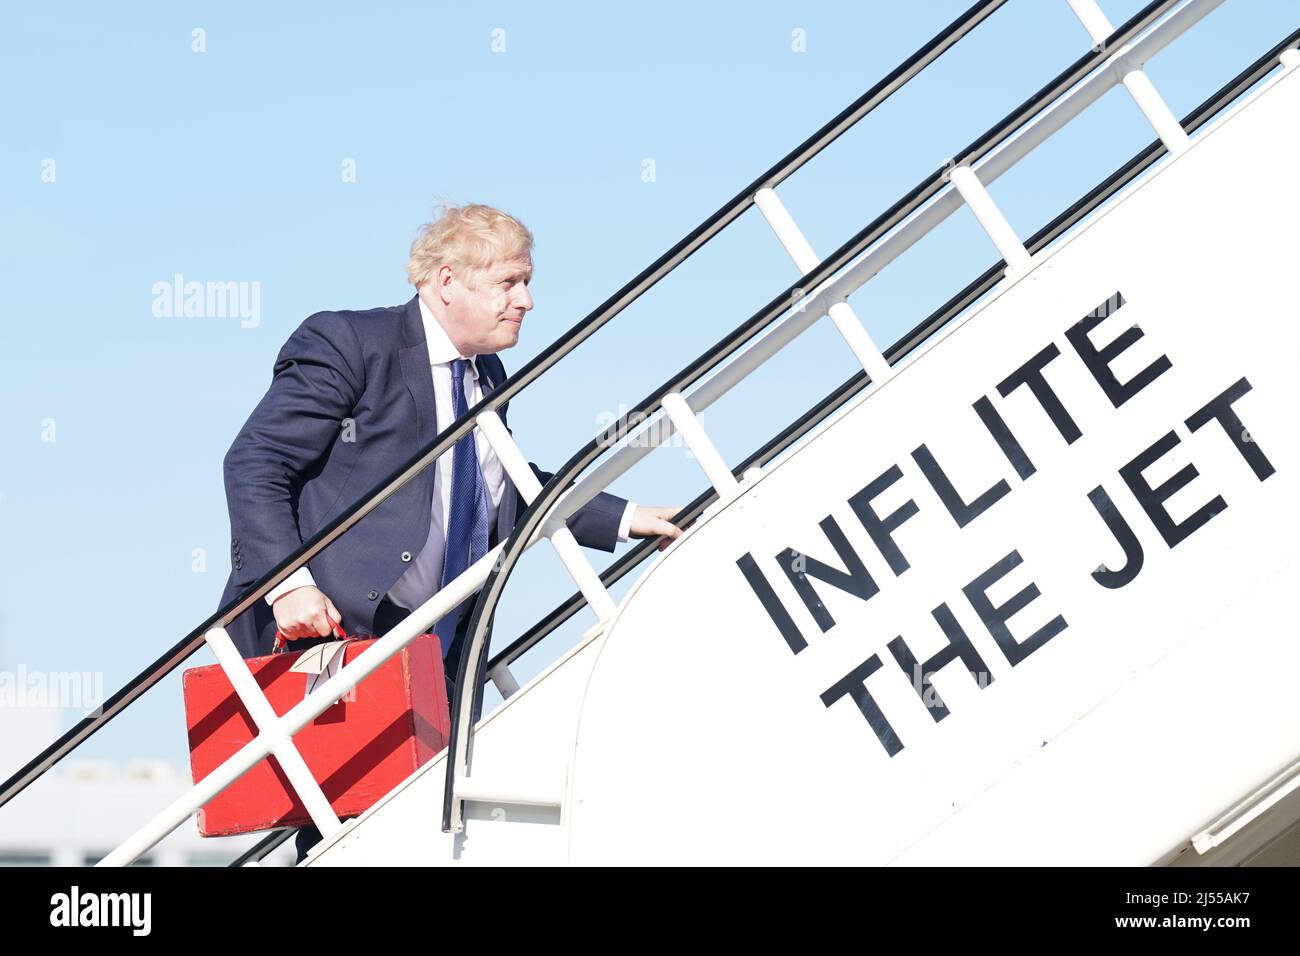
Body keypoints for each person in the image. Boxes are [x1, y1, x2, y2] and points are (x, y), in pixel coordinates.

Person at [217, 203, 683, 863]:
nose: (527, 299)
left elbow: (505, 486)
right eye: (509, 282)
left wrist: (629, 517)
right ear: (446, 282)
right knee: (349, 842)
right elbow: (256, 462)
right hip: (337, 645)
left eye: (526, 281)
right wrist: (286, 586)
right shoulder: (352, 344)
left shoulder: (485, 377)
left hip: (432, 658)